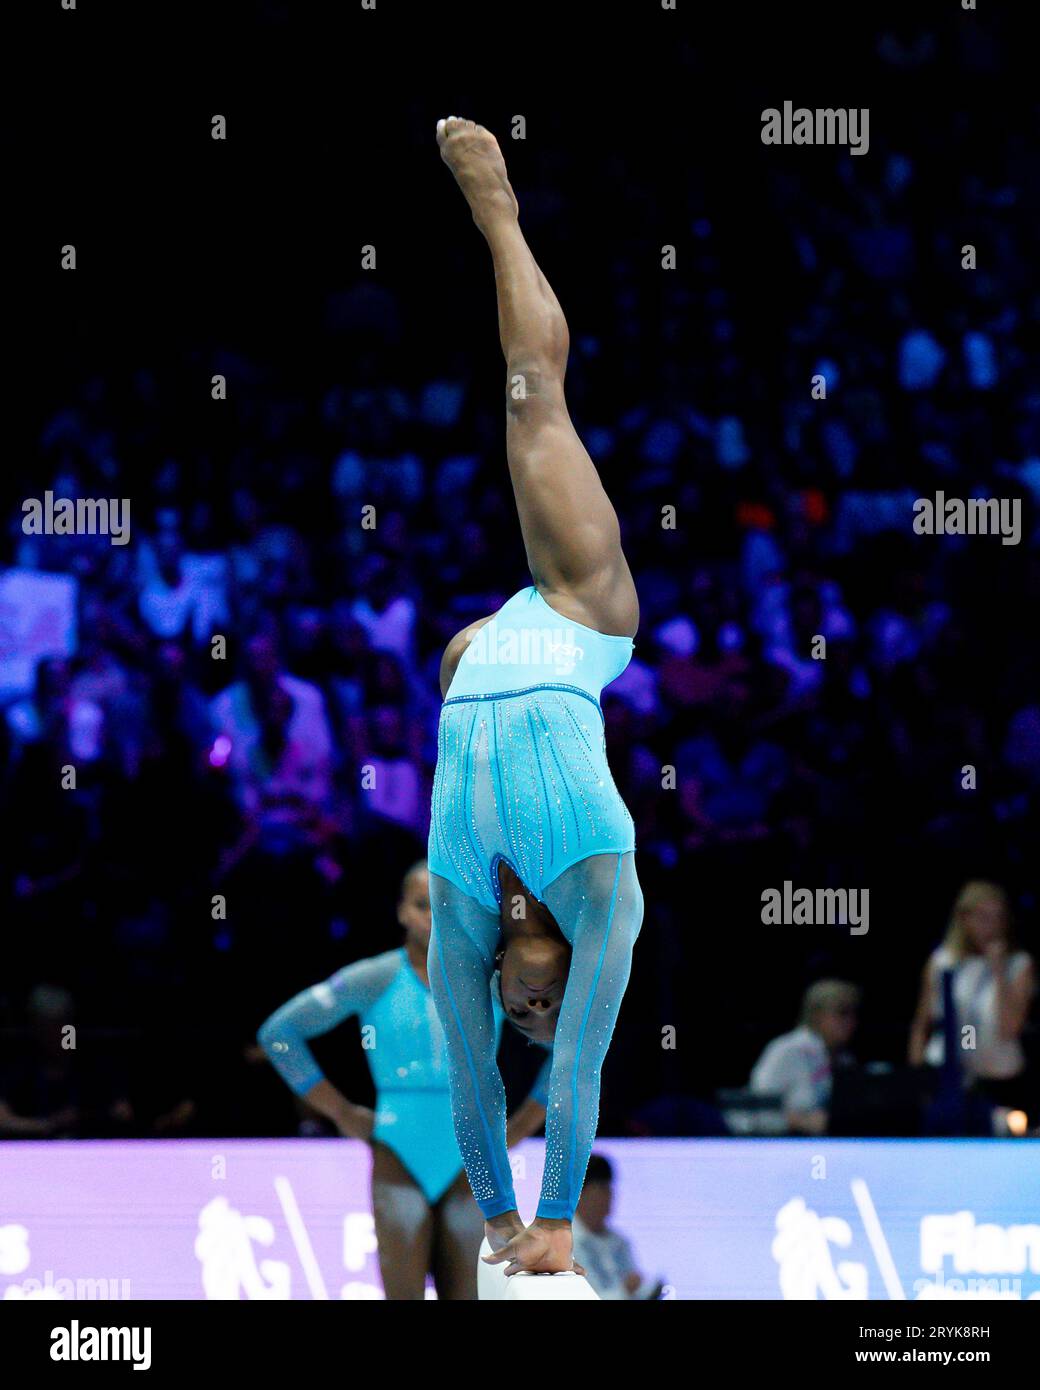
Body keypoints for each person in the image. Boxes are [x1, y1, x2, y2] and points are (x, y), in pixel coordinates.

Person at [425, 117, 644, 1279]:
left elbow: (470, 1078)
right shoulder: (603, 891)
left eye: (519, 1013)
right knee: (531, 404)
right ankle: (498, 213)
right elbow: (578, 1066)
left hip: (473, 672)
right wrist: (554, 1210)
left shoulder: (463, 909)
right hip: (577, 617)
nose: (526, 1011)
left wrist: (498, 1218)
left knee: (456, 656)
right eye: (539, 1010)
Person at [257, 860, 552, 1300]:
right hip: (400, 1151)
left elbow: (569, 1044)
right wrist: (340, 1111)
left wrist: (526, 1123)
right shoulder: (375, 978)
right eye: (421, 905)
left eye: (445, 904)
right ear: (401, 912)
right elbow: (278, 1035)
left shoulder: (493, 982)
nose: (433, 916)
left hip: (469, 1157)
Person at [908, 880, 1036, 1108]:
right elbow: (922, 1023)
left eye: (999, 918)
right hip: (946, 1070)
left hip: (997, 1075)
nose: (993, 926)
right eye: (984, 918)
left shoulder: (1018, 964)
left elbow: (1010, 1028)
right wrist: (916, 1078)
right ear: (964, 918)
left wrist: (999, 973)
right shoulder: (943, 961)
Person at [749, 980, 861, 1135]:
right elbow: (757, 1109)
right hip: (784, 1142)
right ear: (816, 1015)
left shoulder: (846, 1060)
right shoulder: (786, 1050)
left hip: (831, 1144)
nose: (851, 1022)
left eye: (854, 1014)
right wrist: (802, 1121)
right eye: (842, 1013)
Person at [571, 1154, 663, 1300]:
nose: (610, 1196)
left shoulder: (619, 1241)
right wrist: (625, 1291)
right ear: (580, 1194)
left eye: (610, 1189)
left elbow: (636, 1289)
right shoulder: (564, 1244)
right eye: (602, 1189)